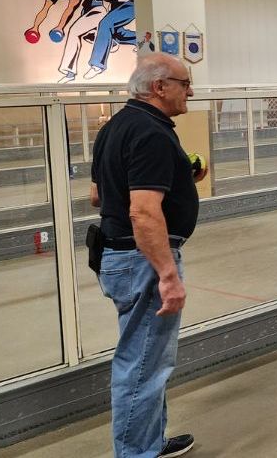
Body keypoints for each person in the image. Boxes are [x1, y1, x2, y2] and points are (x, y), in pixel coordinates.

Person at [90, 53, 206, 458]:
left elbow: (99, 196)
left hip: (119, 257)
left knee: (146, 359)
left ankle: (148, 442)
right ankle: (137, 453)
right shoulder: (152, 133)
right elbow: (142, 210)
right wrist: (168, 275)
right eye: (184, 82)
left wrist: (177, 177)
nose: (189, 90)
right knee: (142, 365)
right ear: (159, 87)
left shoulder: (115, 127)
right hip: (143, 263)